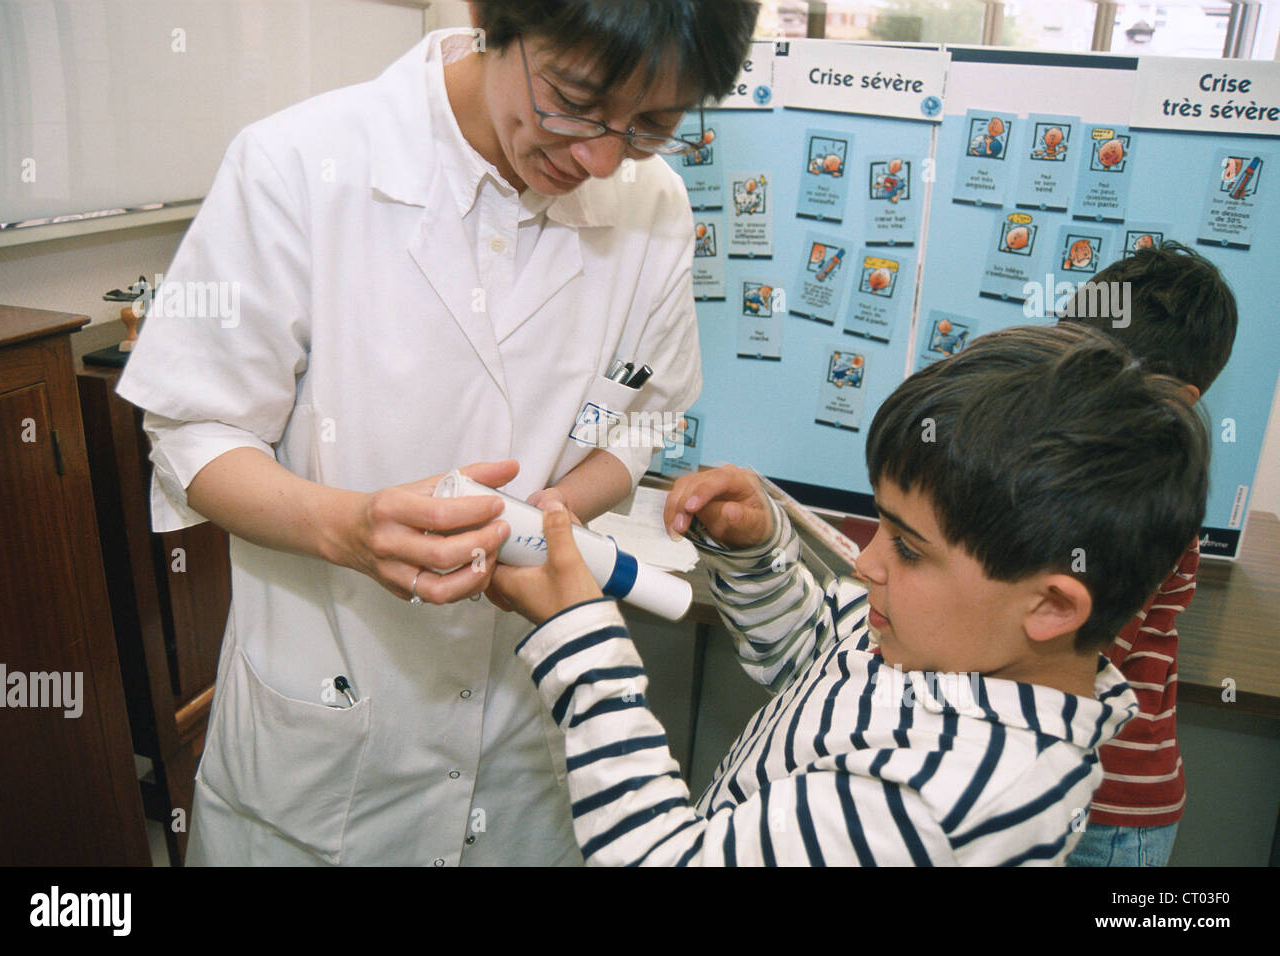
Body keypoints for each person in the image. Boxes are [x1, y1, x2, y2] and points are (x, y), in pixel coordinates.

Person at [115, 0, 760, 865]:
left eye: (652, 124)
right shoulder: (297, 165)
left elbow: (630, 426)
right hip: (323, 753)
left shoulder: (654, 210)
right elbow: (198, 432)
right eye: (572, 100)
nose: (601, 157)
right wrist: (348, 528)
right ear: (497, 18)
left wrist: (556, 512)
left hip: (525, 754)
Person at [489, 324, 1210, 865]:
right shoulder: (950, 650)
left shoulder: (940, 796)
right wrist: (757, 554)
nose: (866, 565)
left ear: (1051, 606)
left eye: (907, 546)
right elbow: (818, 663)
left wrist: (583, 648)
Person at [1059, 241, 1238, 867]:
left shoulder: (1146, 505)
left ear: (1176, 400)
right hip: (1055, 791)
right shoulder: (1075, 477)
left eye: (1097, 373)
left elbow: (1079, 653)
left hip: (1108, 818)